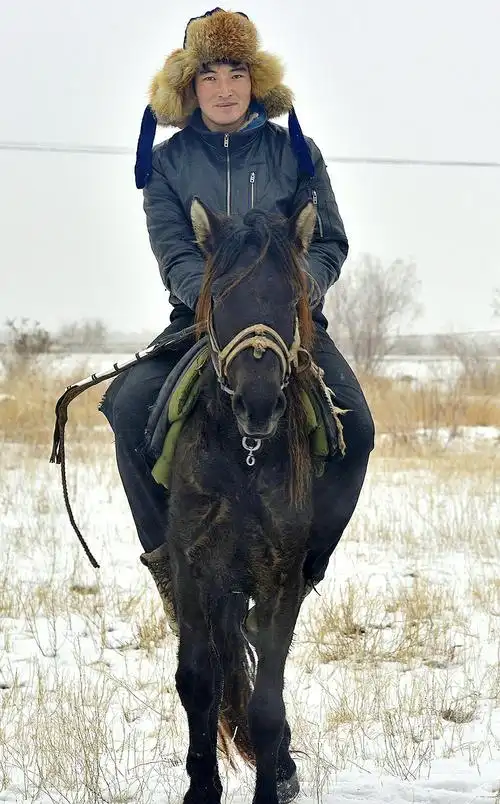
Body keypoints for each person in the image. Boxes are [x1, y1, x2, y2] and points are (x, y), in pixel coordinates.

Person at [100, 8, 375, 632]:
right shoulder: (167, 166)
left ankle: (301, 574)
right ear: (190, 87)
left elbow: (329, 241)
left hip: (290, 328)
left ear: (257, 82)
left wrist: (296, 292)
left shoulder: (297, 154)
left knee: (356, 429)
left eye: (237, 73)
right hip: (198, 323)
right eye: (210, 76)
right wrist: (218, 304)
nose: (224, 88)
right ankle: (172, 567)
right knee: (126, 407)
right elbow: (173, 249)